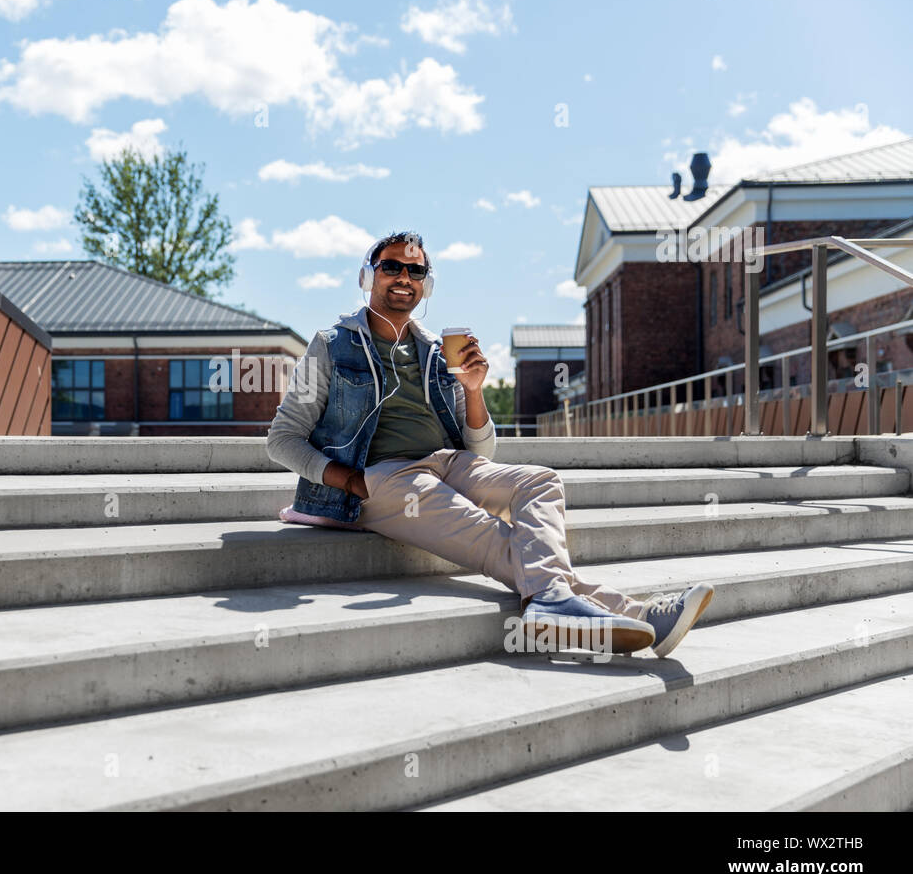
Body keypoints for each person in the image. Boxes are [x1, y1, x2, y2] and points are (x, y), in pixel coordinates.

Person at [266, 230, 712, 657]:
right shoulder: (330, 346)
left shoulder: (438, 353)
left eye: (415, 272)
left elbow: (482, 453)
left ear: (426, 285)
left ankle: (558, 605)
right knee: (495, 536)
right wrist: (351, 481)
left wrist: (475, 389)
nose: (404, 278)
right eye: (392, 267)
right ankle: (637, 614)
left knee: (541, 481)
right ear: (368, 276)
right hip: (384, 478)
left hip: (449, 463)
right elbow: (282, 439)